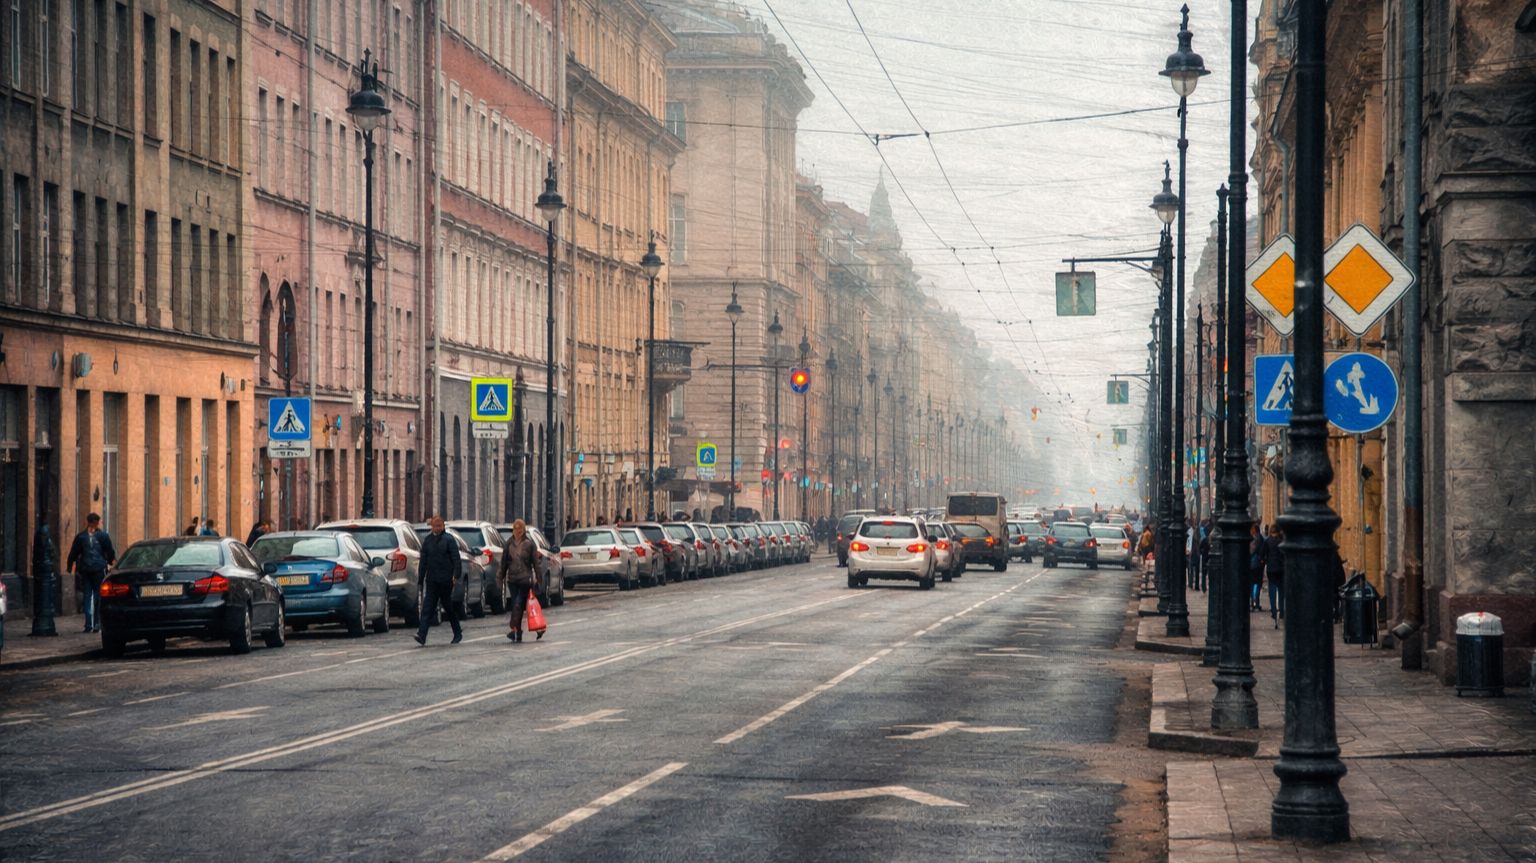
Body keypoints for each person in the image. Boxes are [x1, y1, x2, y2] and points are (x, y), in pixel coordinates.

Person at [414, 516, 463, 646]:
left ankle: (457, 632)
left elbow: (456, 559)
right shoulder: (428, 541)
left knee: (448, 607)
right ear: (432, 527)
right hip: (432, 580)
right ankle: (422, 634)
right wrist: (421, 578)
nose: (437, 528)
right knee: (427, 607)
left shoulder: (449, 540)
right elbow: (423, 561)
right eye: (435, 526)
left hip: (446, 580)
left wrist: (455, 575)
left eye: (439, 525)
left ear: (443, 526)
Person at [66, 513, 117, 633]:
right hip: (98, 569)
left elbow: (74, 552)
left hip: (86, 569)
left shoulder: (81, 537)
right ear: (96, 522)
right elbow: (109, 551)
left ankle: (89, 624)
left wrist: (69, 566)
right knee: (97, 596)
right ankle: (96, 623)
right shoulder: (102, 536)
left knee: (88, 595)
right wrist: (111, 562)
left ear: (88, 522)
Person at [499, 519, 541, 642]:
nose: (517, 531)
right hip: (512, 579)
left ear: (523, 530)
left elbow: (535, 563)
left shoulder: (529, 544)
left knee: (518, 604)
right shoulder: (508, 543)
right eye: (515, 529)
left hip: (524, 579)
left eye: (520, 529)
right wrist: (500, 577)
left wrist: (539, 578)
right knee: (516, 606)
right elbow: (503, 562)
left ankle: (514, 629)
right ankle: (518, 632)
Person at [1265, 525, 1286, 625]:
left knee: (1272, 589)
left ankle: (1274, 610)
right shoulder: (1281, 541)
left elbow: (1263, 553)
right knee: (1281, 590)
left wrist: (1263, 560)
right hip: (1281, 568)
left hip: (1271, 568)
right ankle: (1281, 611)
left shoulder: (1267, 541)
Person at [1248, 523, 1267, 611]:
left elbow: (1251, 551)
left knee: (1252, 584)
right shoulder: (1262, 539)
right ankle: (1256, 602)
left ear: (1254, 530)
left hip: (1253, 564)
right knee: (1258, 584)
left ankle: (1253, 603)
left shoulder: (1253, 539)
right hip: (1259, 564)